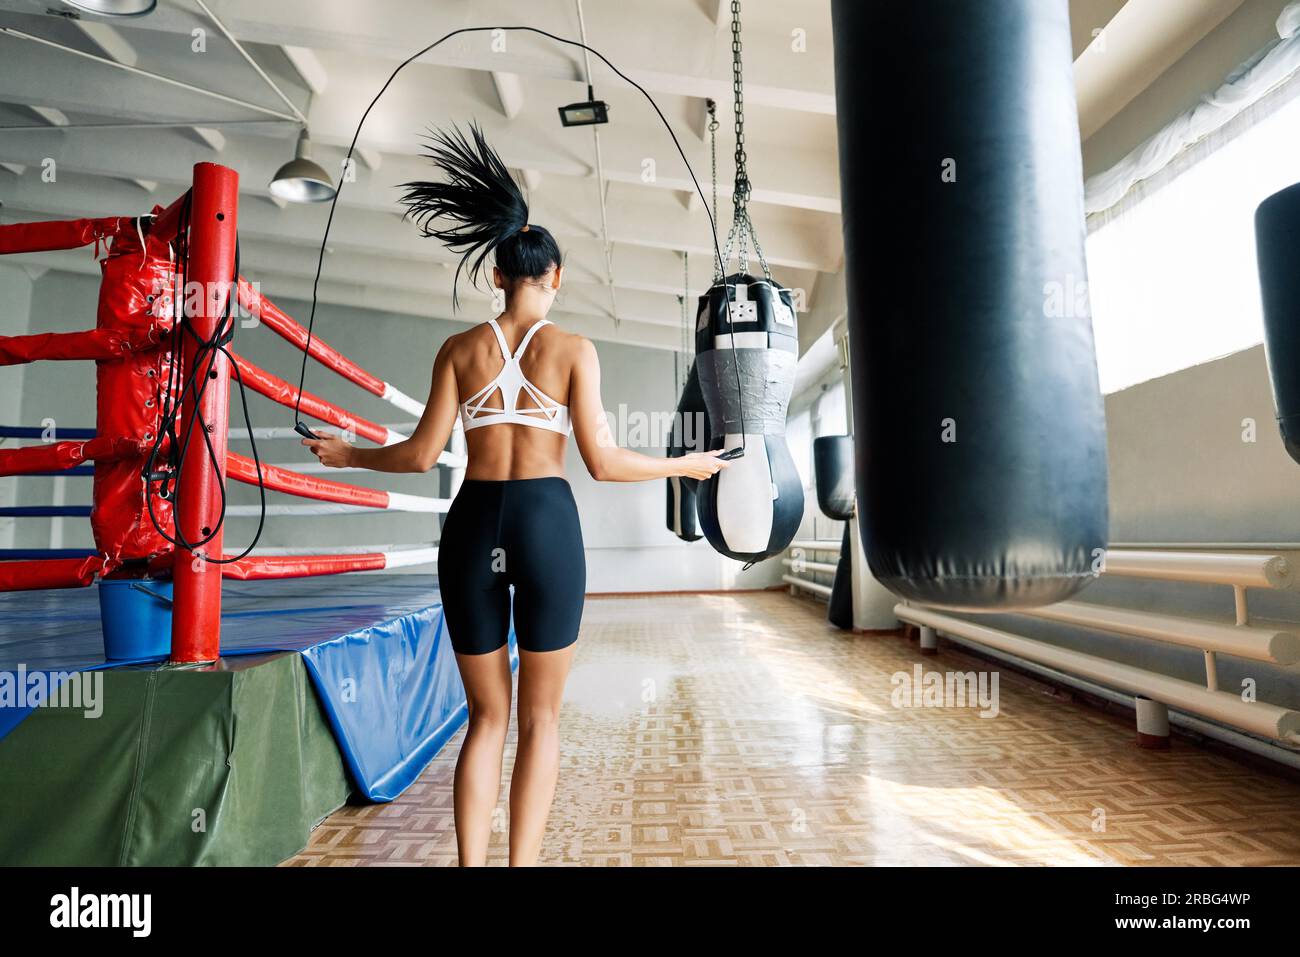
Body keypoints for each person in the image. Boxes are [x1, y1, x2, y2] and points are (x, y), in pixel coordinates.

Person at [302, 123, 726, 866]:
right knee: (541, 719)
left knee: (486, 718)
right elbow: (602, 462)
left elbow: (422, 455)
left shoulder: (459, 349)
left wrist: (348, 454)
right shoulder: (574, 349)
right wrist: (682, 467)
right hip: (544, 522)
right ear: (554, 276)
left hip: (473, 525)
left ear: (496, 275)